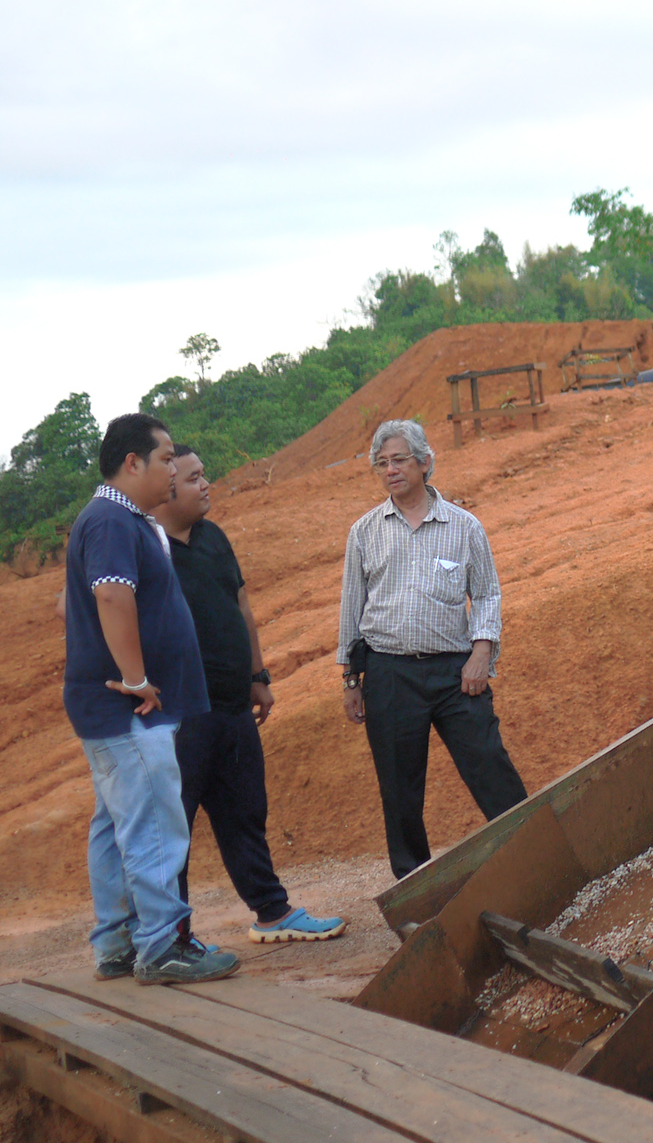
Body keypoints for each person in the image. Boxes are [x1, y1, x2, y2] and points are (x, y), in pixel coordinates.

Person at [64, 414, 238, 985]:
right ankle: (163, 944)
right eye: (166, 459)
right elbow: (113, 597)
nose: (173, 468)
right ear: (132, 463)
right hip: (130, 708)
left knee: (116, 825)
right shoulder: (113, 519)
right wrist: (137, 678)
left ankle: (116, 944)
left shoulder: (116, 519)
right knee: (154, 824)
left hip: (110, 707)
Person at [154, 445, 346, 944]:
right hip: (180, 715)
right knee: (173, 827)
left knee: (245, 812)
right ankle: (172, 936)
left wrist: (258, 674)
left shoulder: (214, 537)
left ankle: (272, 912)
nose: (205, 484)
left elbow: (240, 603)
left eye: (204, 474)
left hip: (233, 705)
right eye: (195, 478)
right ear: (167, 486)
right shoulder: (147, 549)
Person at [339, 419, 527, 880]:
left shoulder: (464, 526)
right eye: (382, 464)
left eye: (400, 460)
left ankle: (534, 855)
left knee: (491, 768)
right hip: (388, 676)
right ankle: (415, 888)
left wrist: (481, 653)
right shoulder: (364, 532)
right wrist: (350, 678)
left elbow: (486, 595)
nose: (391, 470)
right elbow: (351, 607)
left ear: (425, 462)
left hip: (456, 674)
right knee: (400, 793)